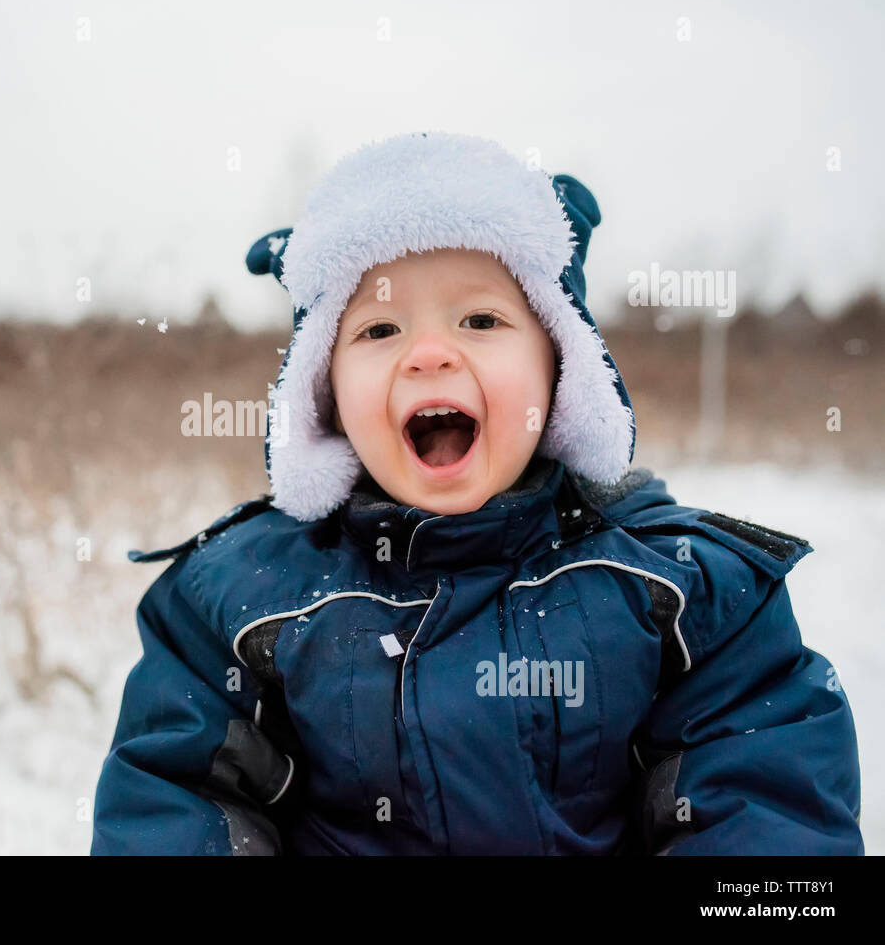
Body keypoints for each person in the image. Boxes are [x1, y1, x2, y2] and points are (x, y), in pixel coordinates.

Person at [90, 131, 864, 855]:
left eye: (481, 319)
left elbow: (764, 800)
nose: (430, 353)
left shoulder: (685, 592)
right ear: (325, 389)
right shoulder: (243, 601)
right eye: (379, 330)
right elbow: (177, 795)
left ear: (559, 367)